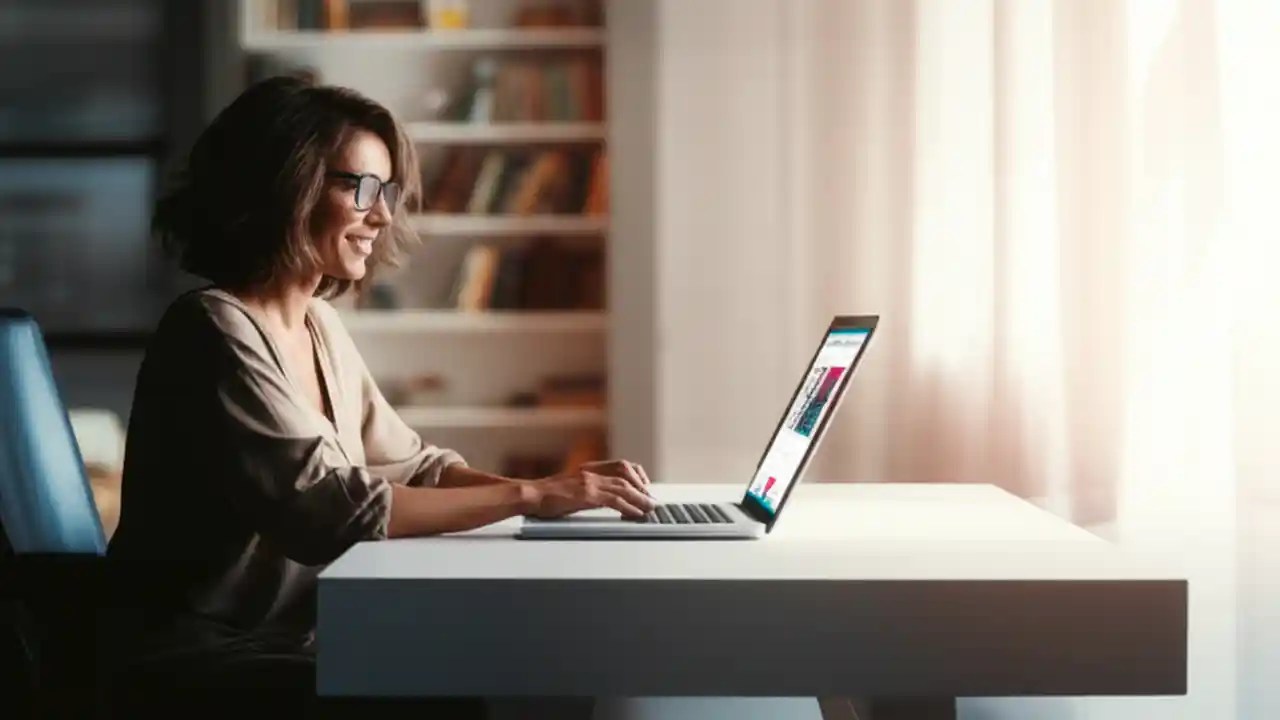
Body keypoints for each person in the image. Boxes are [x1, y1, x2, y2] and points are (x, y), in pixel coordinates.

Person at [104, 76, 655, 717]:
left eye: (387, 191)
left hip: (294, 641)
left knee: (518, 664)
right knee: (471, 694)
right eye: (360, 187)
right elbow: (335, 514)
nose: (383, 215)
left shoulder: (317, 324)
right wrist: (531, 495)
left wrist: (559, 498)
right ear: (286, 183)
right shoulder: (214, 329)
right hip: (200, 662)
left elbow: (416, 467)